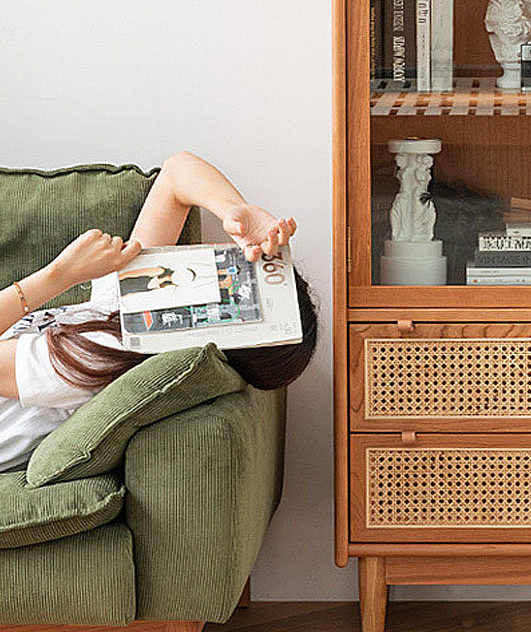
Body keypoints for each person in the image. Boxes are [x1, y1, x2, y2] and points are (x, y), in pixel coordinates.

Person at [0, 151, 318, 473]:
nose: (223, 270)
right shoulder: (140, 314)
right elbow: (177, 173)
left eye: (237, 287)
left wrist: (61, 274)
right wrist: (236, 210)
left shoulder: (111, 353)